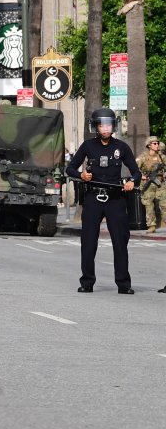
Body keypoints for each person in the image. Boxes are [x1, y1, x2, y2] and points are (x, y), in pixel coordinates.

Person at [67, 107, 139, 294]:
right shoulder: (88, 146)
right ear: (96, 127)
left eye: (108, 125)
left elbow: (136, 171)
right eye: (102, 125)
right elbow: (70, 169)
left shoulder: (121, 147)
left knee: (120, 241)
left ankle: (124, 284)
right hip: (93, 198)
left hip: (115, 199)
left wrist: (132, 181)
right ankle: (87, 282)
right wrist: (81, 175)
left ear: (113, 126)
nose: (105, 129)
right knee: (89, 242)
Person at [137, 136, 164, 235]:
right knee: (149, 205)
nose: (157, 145)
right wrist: (141, 176)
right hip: (147, 184)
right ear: (149, 145)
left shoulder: (162, 156)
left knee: (164, 205)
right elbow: (134, 168)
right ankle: (151, 226)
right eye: (155, 143)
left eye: (157, 143)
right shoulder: (143, 157)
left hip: (160, 184)